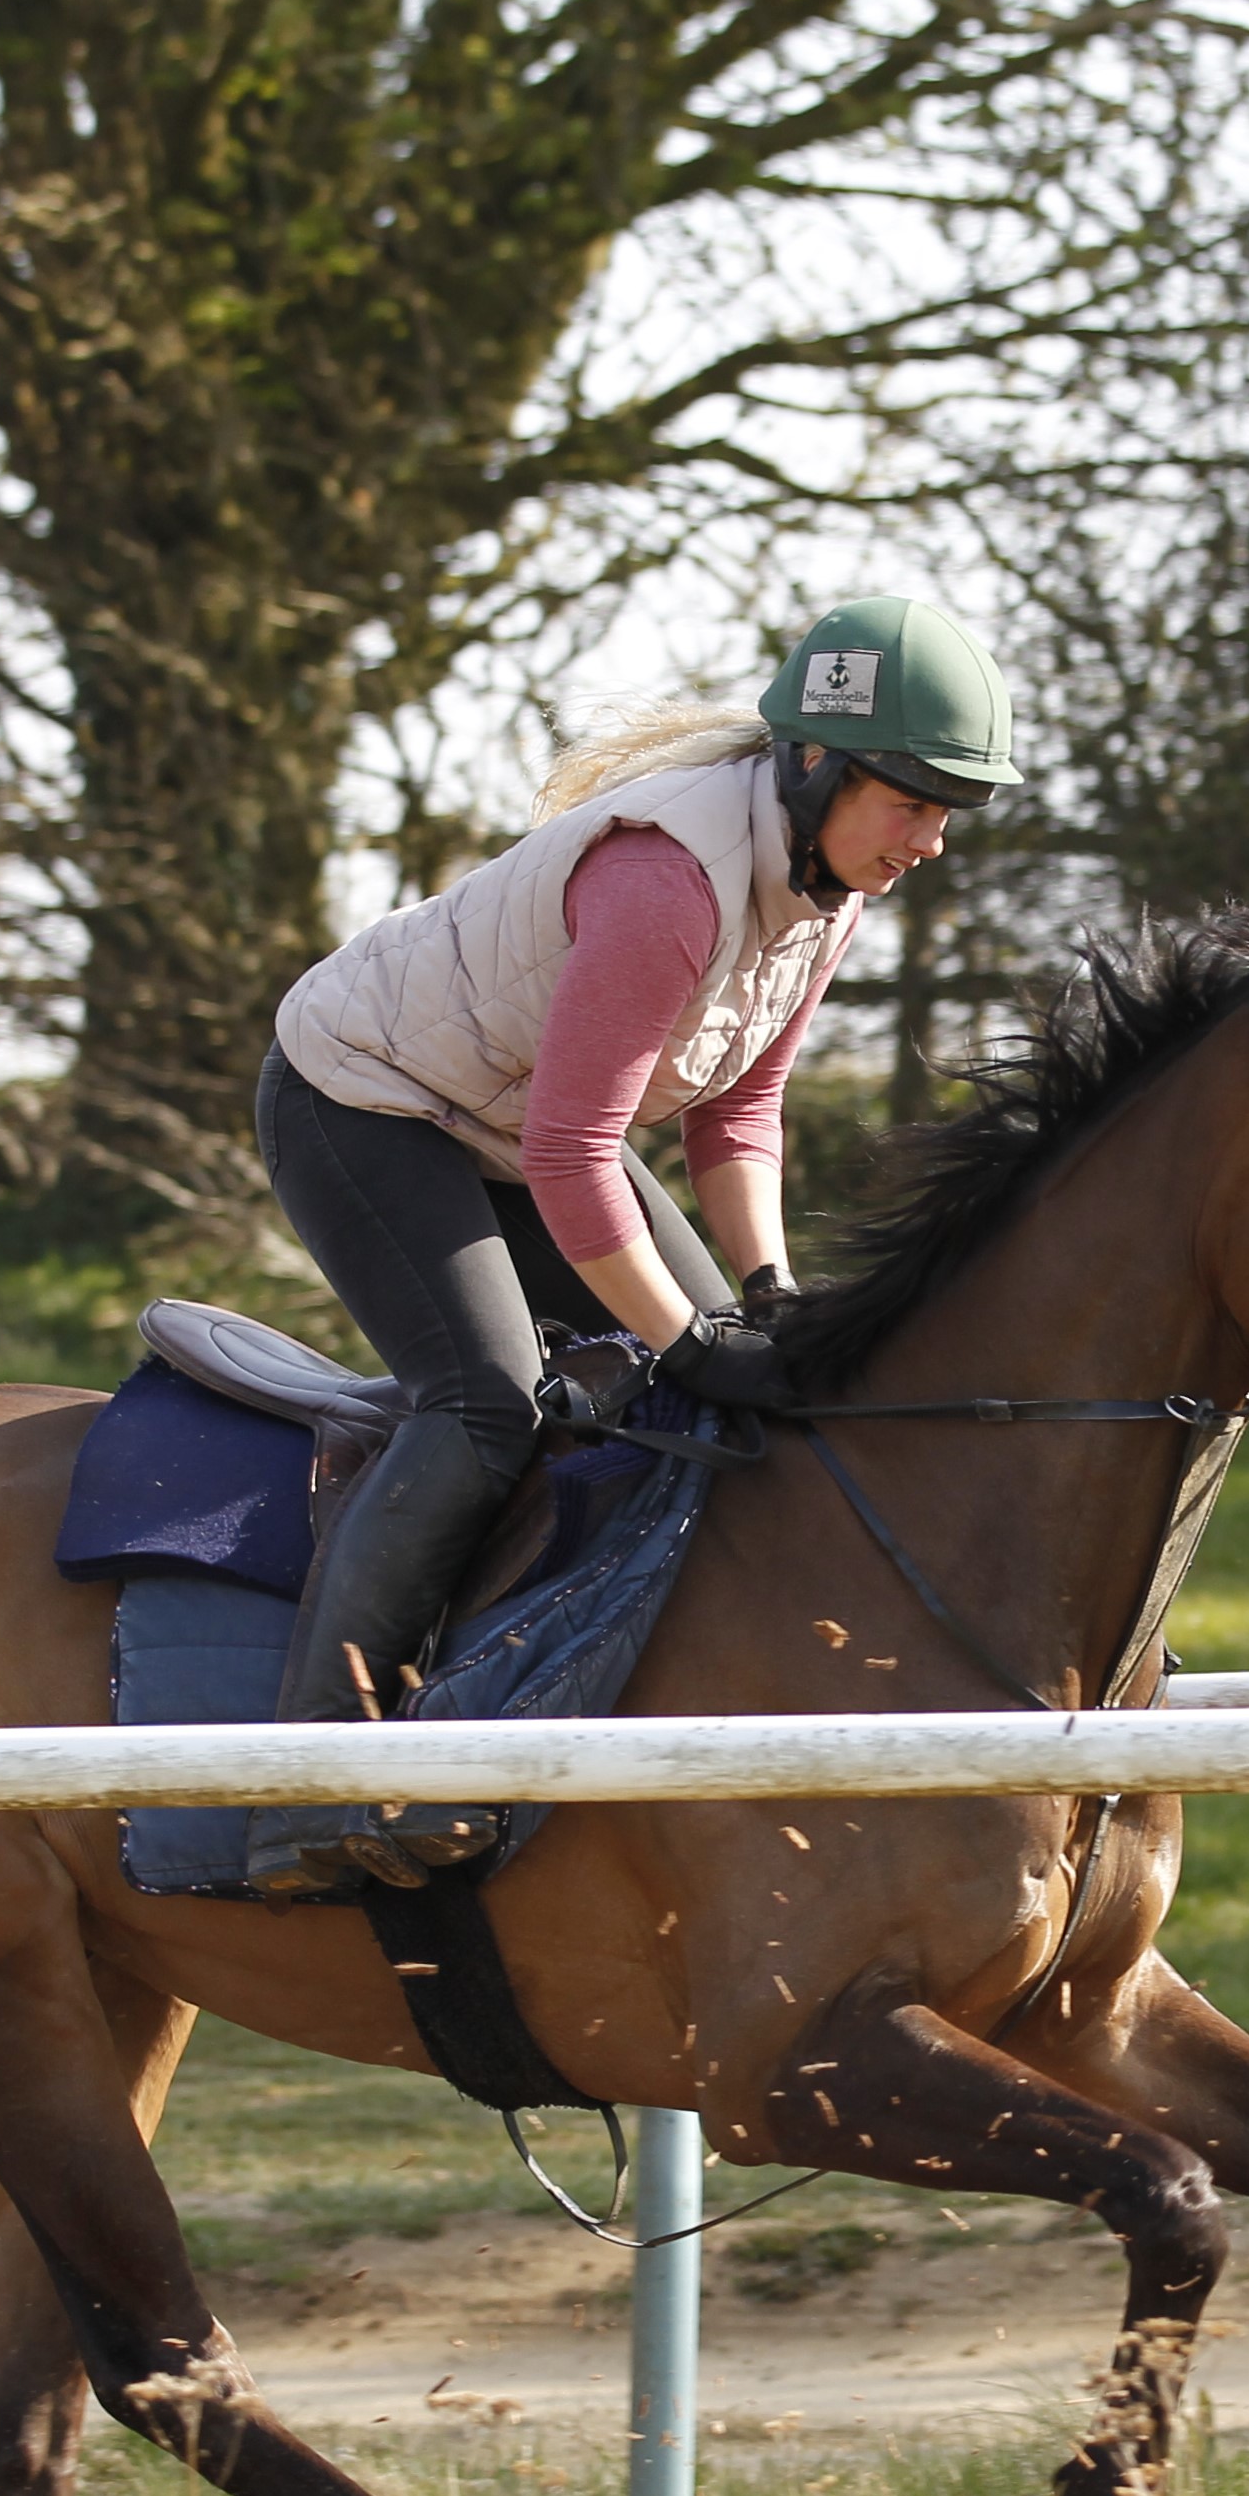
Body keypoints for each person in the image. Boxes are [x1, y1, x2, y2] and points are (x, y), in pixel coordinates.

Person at [244, 593, 1020, 1894]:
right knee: (487, 1400)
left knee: (739, 1406)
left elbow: (739, 1113)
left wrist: (764, 1297)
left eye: (952, 812)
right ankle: (315, 1784)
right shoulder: (665, 881)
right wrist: (686, 1339)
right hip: (366, 1102)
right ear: (815, 765)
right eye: (914, 802)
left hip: (514, 1128)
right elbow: (571, 1156)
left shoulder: (828, 888)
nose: (930, 842)